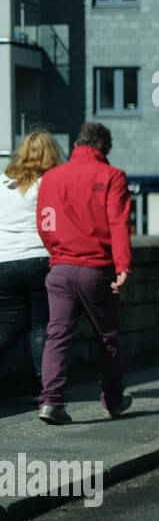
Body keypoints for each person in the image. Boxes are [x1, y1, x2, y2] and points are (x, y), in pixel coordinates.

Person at [35, 122, 132, 423]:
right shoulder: (111, 176)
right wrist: (123, 266)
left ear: (78, 144)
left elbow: (44, 222)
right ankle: (114, 400)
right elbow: (118, 224)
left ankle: (51, 402)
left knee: (57, 336)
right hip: (96, 270)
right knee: (107, 336)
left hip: (60, 269)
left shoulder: (51, 177)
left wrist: (58, 253)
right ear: (105, 149)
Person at [0, 130, 63, 400]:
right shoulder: (50, 183)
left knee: (7, 327)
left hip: (5, 261)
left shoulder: (2, 181)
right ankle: (46, 391)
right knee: (42, 327)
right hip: (40, 260)